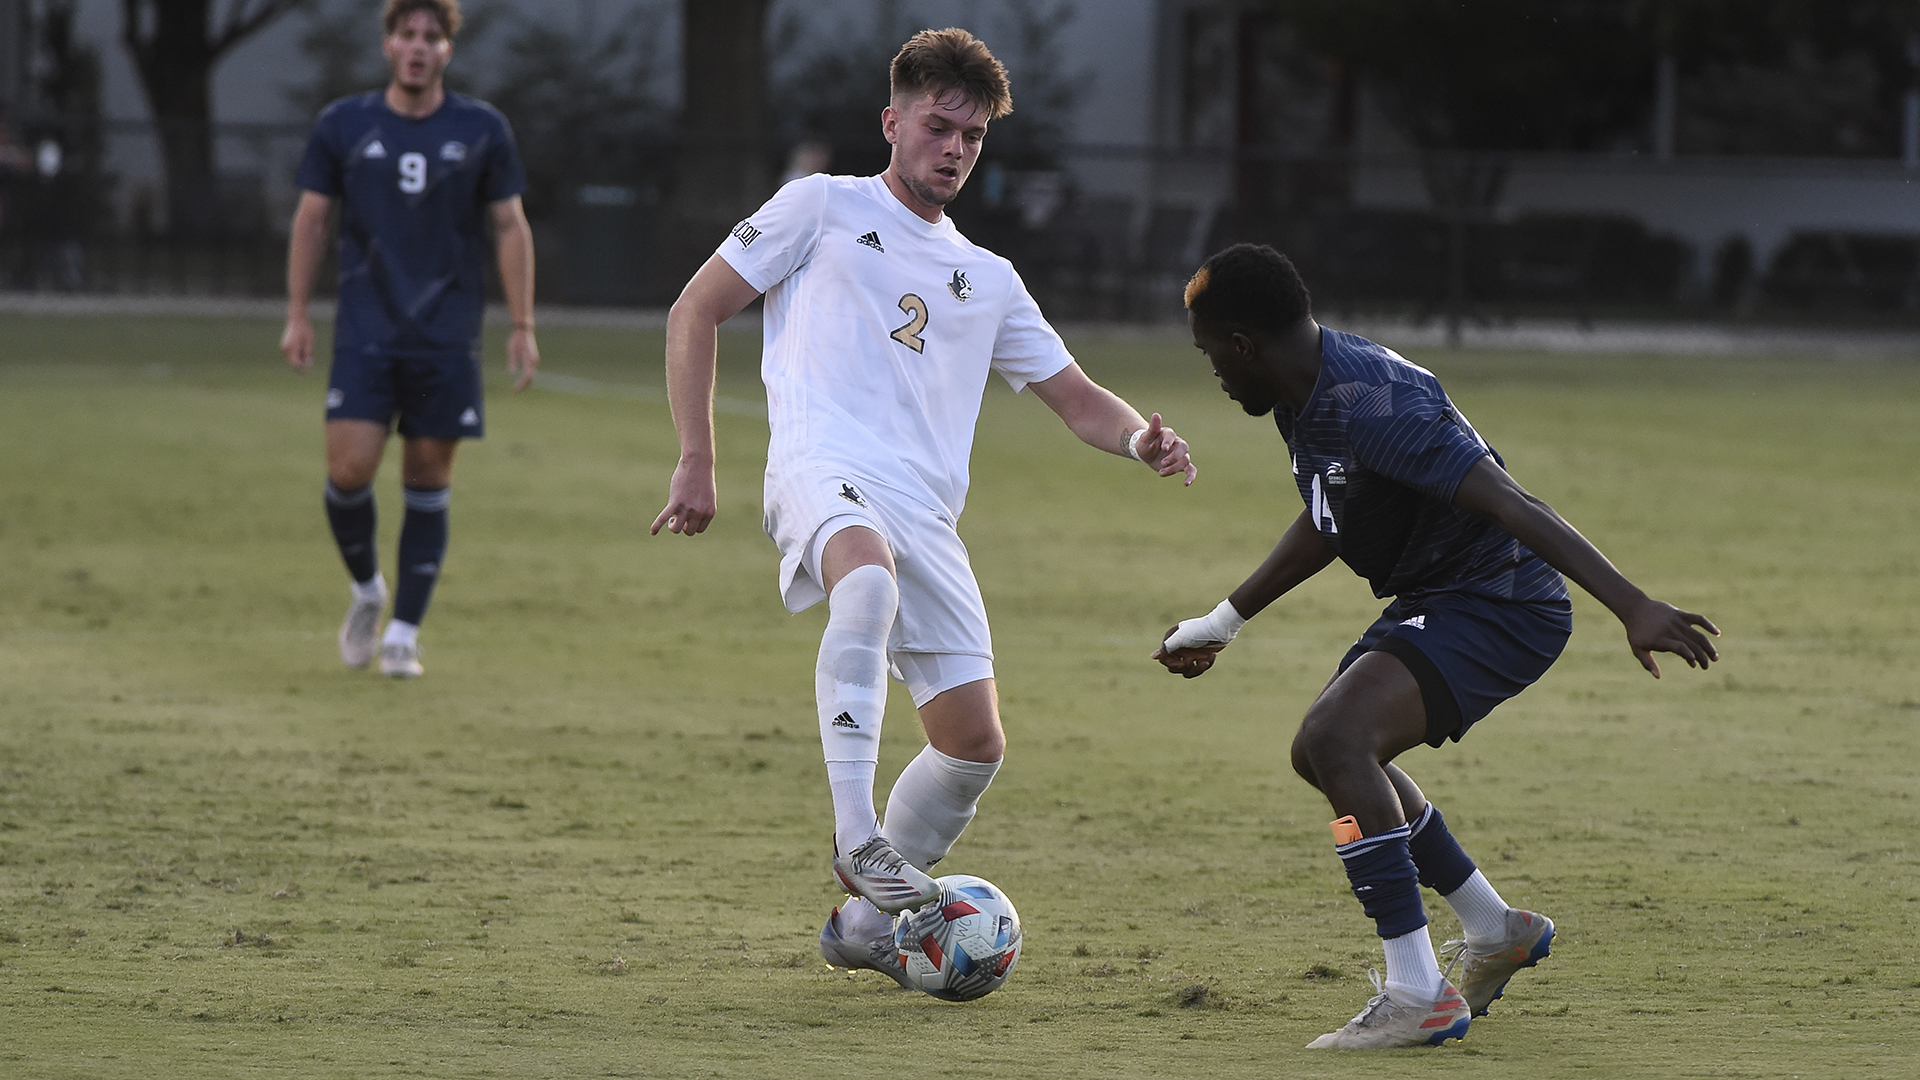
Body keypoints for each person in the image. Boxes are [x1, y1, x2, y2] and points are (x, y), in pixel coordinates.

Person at [652, 28, 1196, 984]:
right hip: (823, 466)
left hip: (926, 511)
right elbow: (693, 309)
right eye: (940, 127)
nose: (955, 149)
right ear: (894, 122)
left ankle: (864, 927)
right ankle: (857, 836)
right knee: (865, 585)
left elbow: (1075, 397)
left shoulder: (988, 278)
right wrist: (696, 456)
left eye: (974, 137)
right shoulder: (818, 208)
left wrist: (1138, 438)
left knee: (973, 745)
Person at [1154, 244, 1718, 1049]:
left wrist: (1632, 605)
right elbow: (1332, 511)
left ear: (1243, 344)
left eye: (1210, 352)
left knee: (1338, 737)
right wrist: (1224, 619)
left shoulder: (1372, 405)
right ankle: (1495, 929)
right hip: (1445, 594)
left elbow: (1509, 499)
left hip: (1502, 603)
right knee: (1324, 754)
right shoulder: (1300, 388)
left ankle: (1417, 993)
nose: (1210, 368)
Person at [281, 0, 538, 678]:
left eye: (432, 36)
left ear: (448, 49)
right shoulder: (344, 123)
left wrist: (522, 324)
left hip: (446, 337)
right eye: (407, 34)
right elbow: (311, 220)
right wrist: (298, 312)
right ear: (389, 44)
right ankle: (368, 590)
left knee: (428, 477)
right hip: (366, 331)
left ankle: (403, 632)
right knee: (348, 470)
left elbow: (511, 226)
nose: (419, 46)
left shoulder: (482, 129)